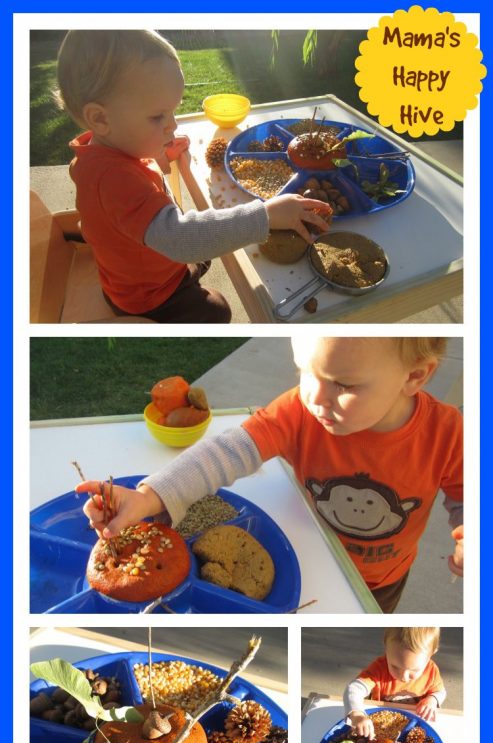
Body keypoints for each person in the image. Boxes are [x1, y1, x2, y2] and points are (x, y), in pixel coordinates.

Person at [76, 336, 464, 612]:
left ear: (414, 377)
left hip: (385, 578)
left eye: (343, 385)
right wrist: (148, 497)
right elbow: (226, 452)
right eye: (305, 372)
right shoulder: (299, 411)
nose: (316, 397)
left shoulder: (448, 434)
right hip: (310, 557)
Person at [55, 30, 330, 324]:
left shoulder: (102, 152)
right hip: (146, 295)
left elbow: (115, 188)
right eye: (158, 117)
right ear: (100, 119)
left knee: (206, 245)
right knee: (218, 309)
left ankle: (188, 268)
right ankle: (184, 281)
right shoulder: (113, 179)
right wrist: (265, 215)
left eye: (172, 113)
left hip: (145, 260)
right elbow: (179, 238)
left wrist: (157, 151)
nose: (172, 124)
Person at [343, 626, 446, 738]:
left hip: (414, 723)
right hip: (380, 724)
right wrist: (357, 713)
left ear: (431, 653)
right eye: (395, 667)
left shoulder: (431, 671)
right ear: (386, 647)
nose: (404, 677)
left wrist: (432, 700)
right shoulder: (379, 669)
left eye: (414, 670)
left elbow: (440, 692)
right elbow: (354, 689)